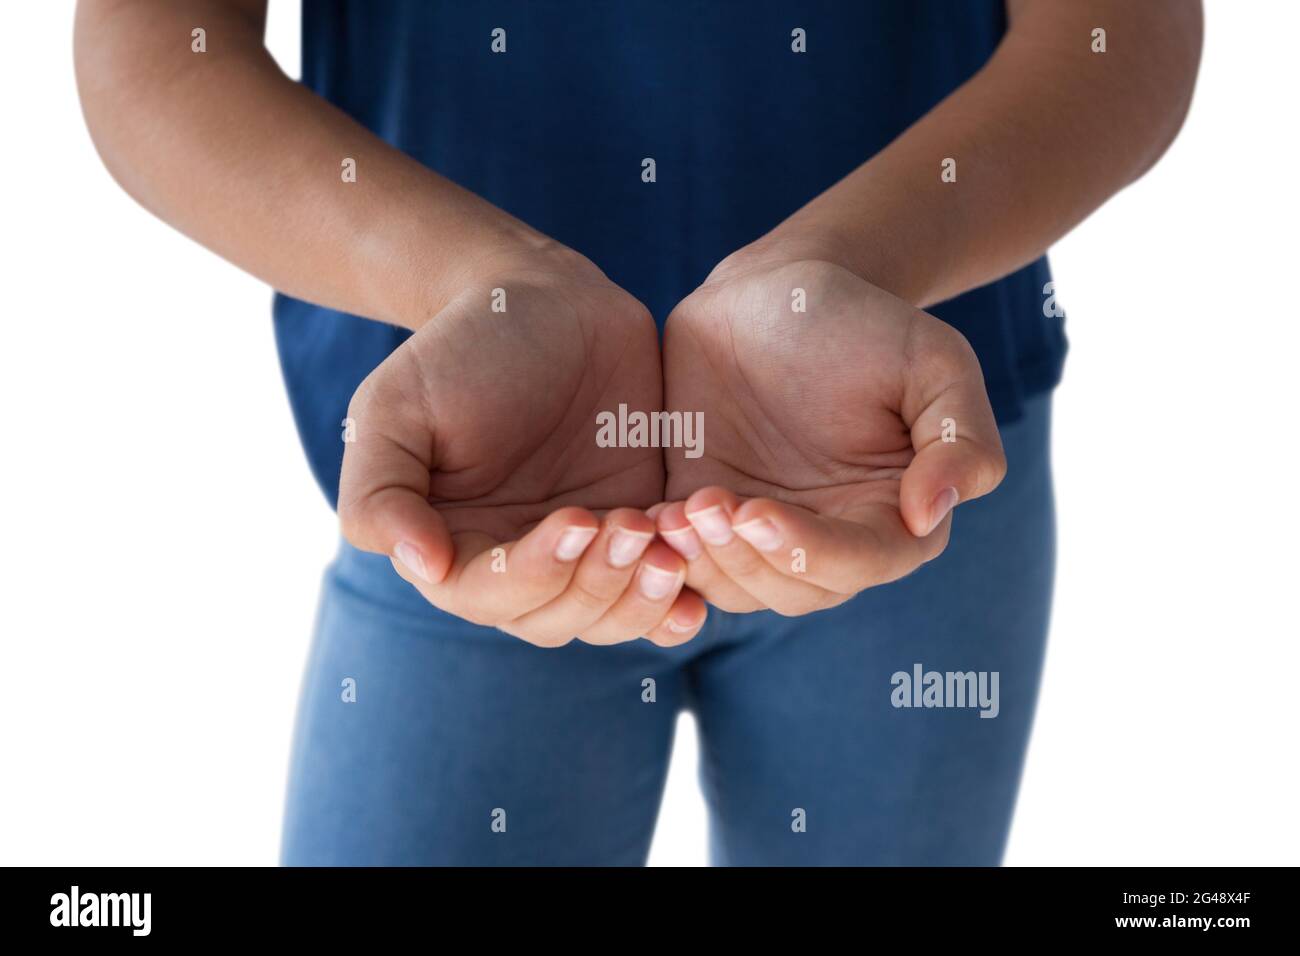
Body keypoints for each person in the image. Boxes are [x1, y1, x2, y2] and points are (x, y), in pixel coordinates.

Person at [75, 0, 1202, 865]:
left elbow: (1119, 30)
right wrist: (478, 283)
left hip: (887, 465)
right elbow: (150, 43)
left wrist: (839, 273)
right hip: (486, 490)